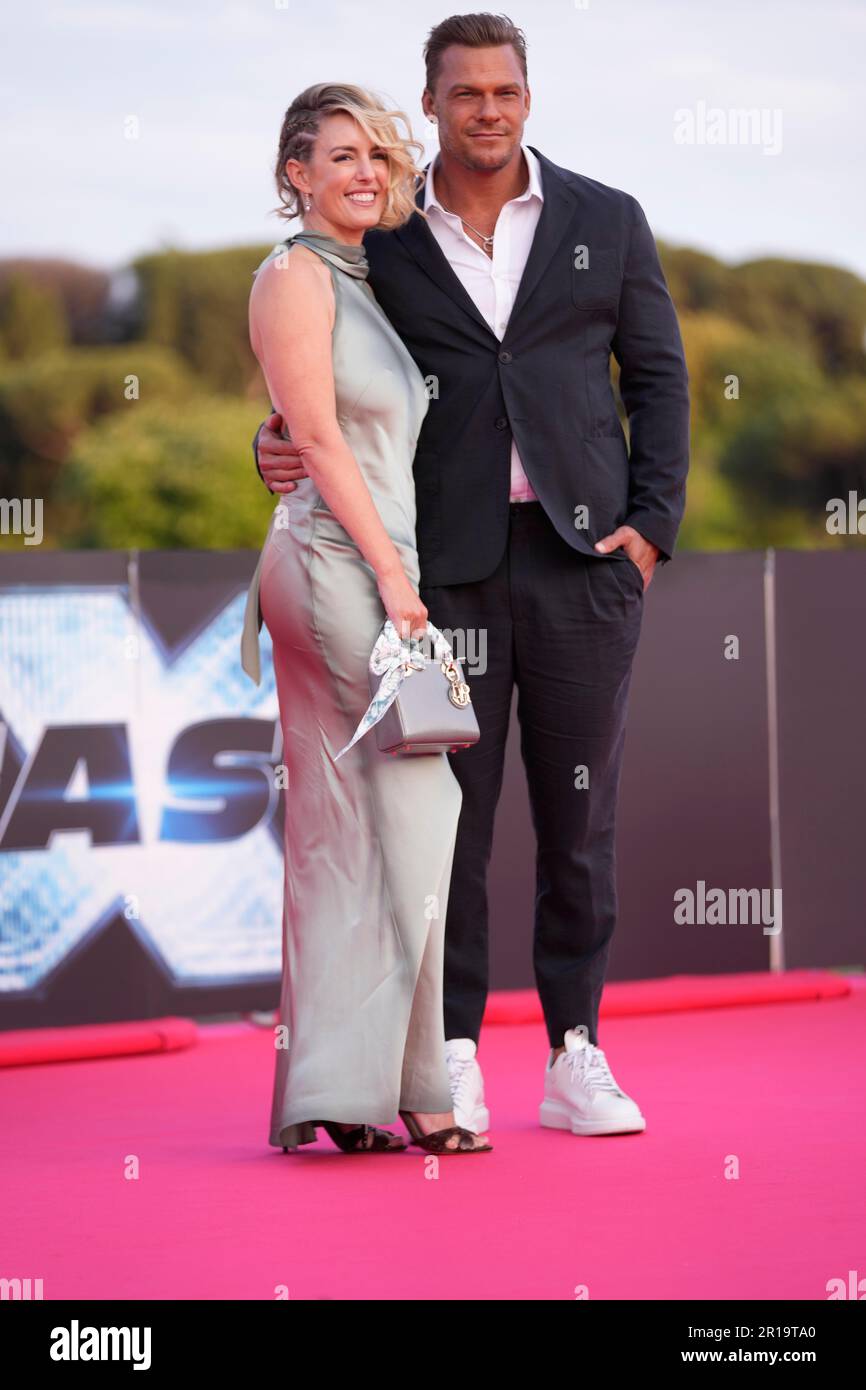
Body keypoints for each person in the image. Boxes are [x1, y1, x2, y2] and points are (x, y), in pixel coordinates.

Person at [253, 15, 691, 1140]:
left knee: (577, 817)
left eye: (503, 90)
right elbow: (328, 377)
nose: (485, 109)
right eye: (463, 93)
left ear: (527, 98)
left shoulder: (605, 219)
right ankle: (448, 1054)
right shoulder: (384, 235)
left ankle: (573, 1049)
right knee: (449, 820)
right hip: (437, 578)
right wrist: (273, 441)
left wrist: (647, 530)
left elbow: (658, 379)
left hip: (581, 561)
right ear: (433, 101)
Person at [241, 81, 492, 1155]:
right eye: (336, 156)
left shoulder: (365, 279)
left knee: (348, 832)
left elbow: (320, 422)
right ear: (293, 173)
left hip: (364, 564)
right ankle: (420, 1089)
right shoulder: (294, 273)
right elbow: (322, 443)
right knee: (413, 809)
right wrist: (397, 584)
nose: (362, 172)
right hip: (339, 569)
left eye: (375, 158)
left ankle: (342, 1092)